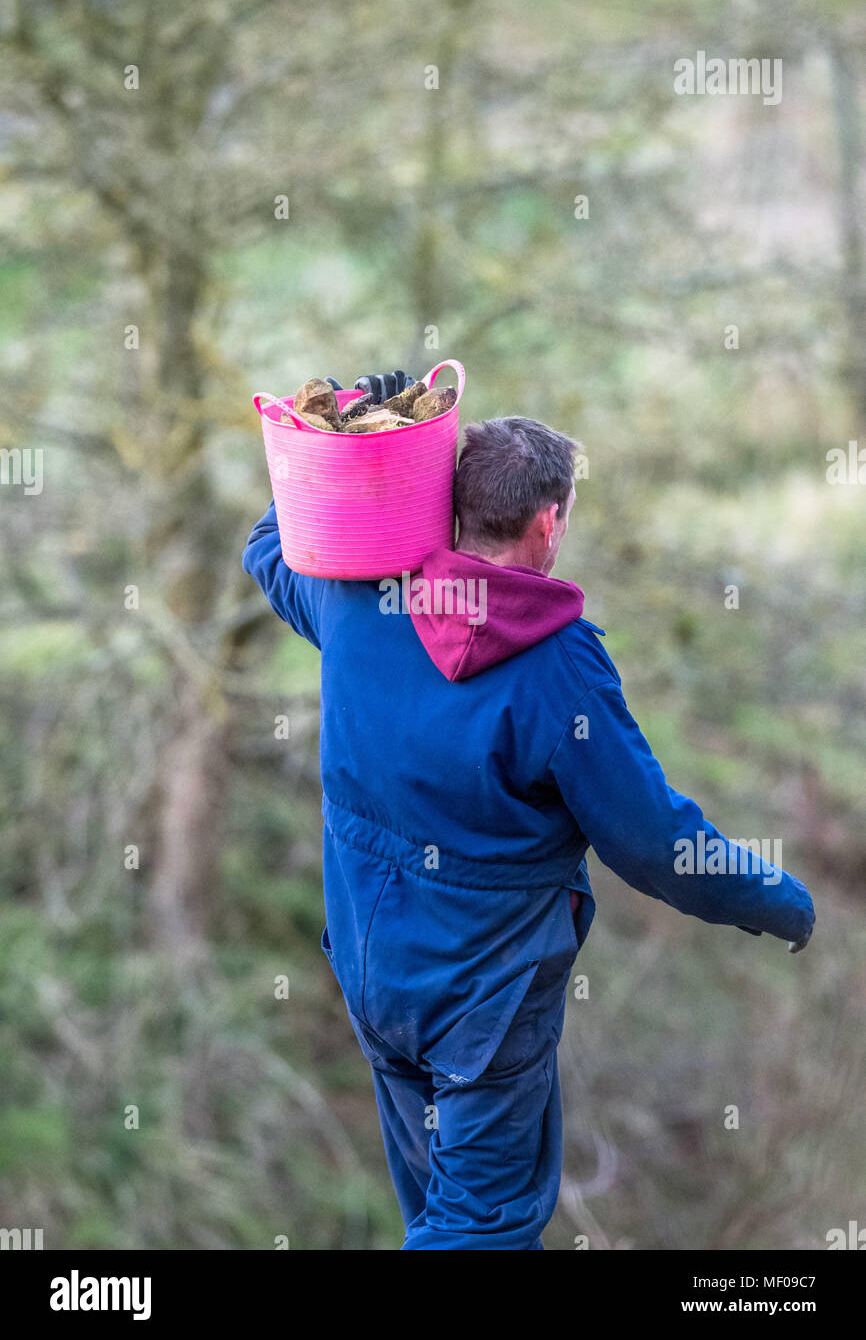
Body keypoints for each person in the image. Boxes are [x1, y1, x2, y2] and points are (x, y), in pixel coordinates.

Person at [242, 373, 815, 1251]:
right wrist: (779, 899)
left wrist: (356, 432)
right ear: (549, 521)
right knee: (485, 1228)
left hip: (372, 972)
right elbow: (658, 845)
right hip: (485, 997)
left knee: (437, 1213)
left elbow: (272, 540)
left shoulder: (358, 598)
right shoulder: (557, 670)